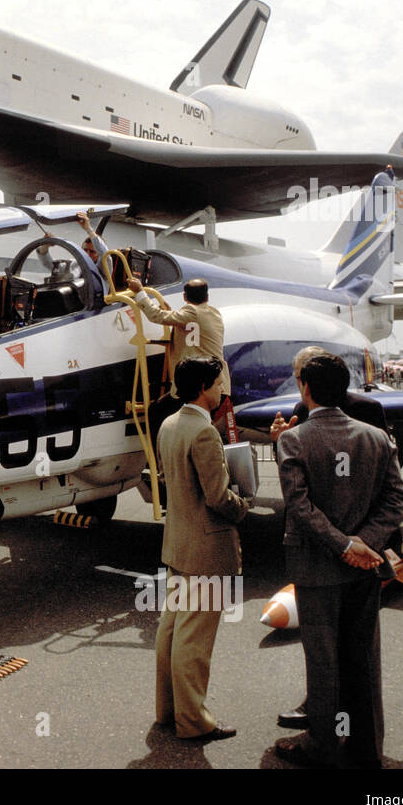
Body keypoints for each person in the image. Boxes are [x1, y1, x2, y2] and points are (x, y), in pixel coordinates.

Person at [273, 353, 403, 769]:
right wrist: (364, 544)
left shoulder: (293, 440)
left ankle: (324, 747)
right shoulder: (375, 437)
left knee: (324, 662)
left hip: (317, 572)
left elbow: (300, 508)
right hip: (366, 570)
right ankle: (367, 748)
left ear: (305, 388)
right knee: (364, 660)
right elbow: (396, 500)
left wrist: (344, 545)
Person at [154, 356, 248, 741]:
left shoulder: (169, 424)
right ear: (204, 387)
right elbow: (217, 498)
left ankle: (168, 711)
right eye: (218, 382)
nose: (222, 388)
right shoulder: (204, 432)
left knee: (172, 632)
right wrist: (244, 503)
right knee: (194, 642)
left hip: (179, 543)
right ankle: (193, 721)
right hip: (206, 549)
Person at [126, 275, 234, 449]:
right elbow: (192, 328)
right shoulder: (214, 313)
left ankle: (159, 462)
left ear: (185, 297)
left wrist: (139, 292)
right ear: (207, 297)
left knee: (155, 413)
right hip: (219, 387)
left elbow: (156, 316)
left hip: (199, 388)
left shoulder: (190, 313)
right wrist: (173, 315)